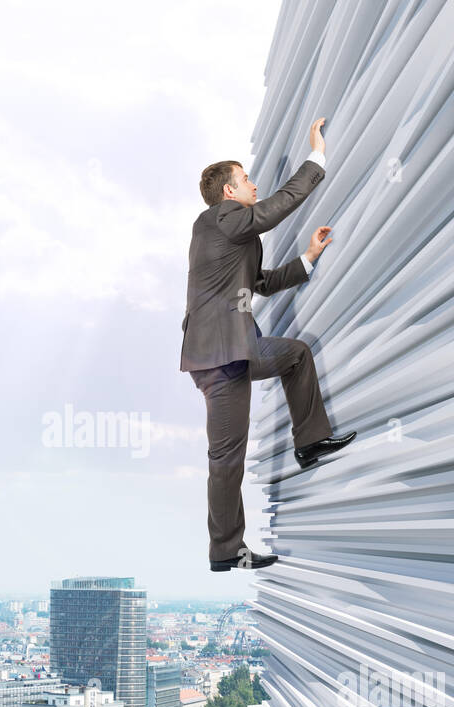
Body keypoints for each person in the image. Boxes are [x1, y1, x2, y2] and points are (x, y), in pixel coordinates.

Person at [180, 118, 356, 572]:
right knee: (225, 458)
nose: (254, 184)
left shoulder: (232, 233)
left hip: (238, 350)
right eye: (246, 180)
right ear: (228, 194)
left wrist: (308, 259)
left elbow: (261, 282)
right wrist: (316, 155)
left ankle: (310, 442)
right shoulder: (220, 219)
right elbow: (278, 206)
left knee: (296, 354)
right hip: (222, 358)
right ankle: (225, 550)